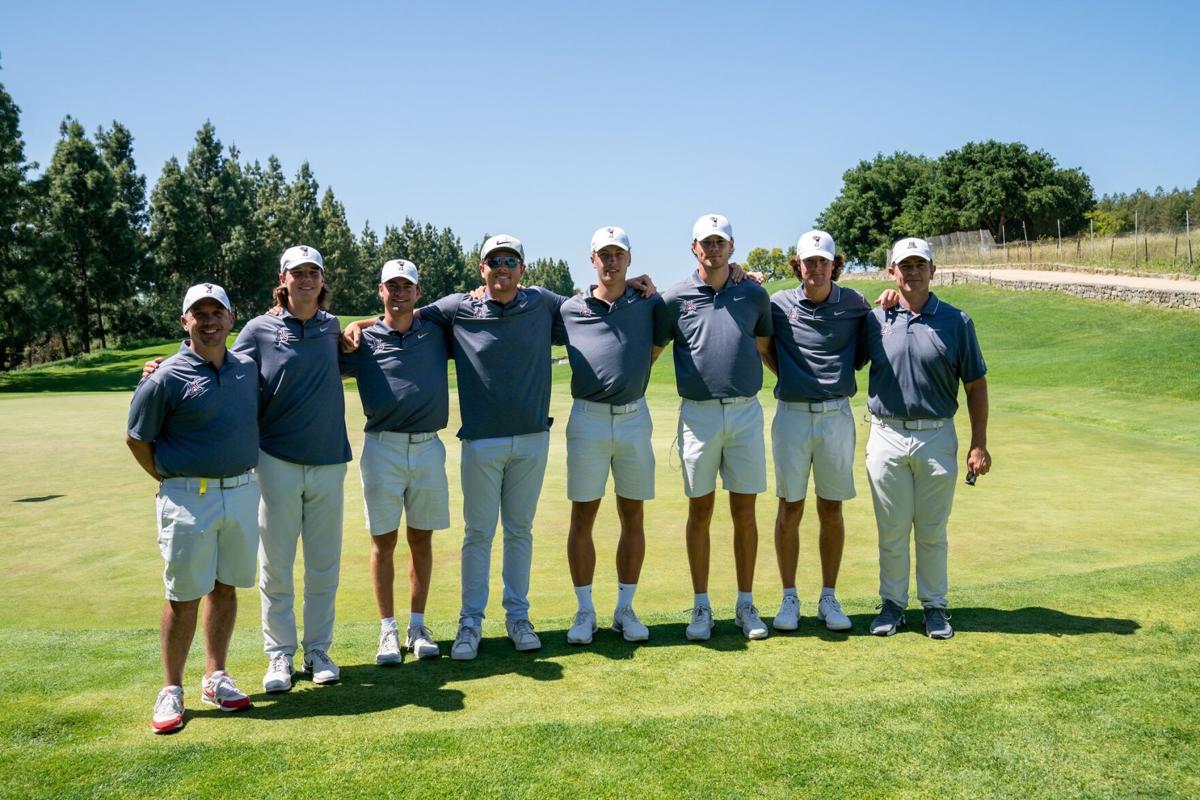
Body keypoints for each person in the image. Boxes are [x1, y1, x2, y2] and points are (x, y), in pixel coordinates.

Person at [126, 283, 259, 733]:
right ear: (185, 321)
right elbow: (137, 438)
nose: (208, 321)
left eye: (216, 312)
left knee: (225, 588)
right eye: (198, 314)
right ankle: (171, 688)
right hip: (187, 496)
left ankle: (215, 676)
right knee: (183, 596)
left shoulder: (246, 369)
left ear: (230, 317)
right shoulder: (164, 376)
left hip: (241, 491)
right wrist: (168, 480)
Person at [863, 237, 991, 640]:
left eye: (921, 265)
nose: (913, 272)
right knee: (892, 528)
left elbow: (975, 385)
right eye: (906, 265)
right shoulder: (875, 318)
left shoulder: (957, 321)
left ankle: (935, 606)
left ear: (933, 271)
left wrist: (979, 442)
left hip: (936, 434)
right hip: (886, 434)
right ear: (892, 272)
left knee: (932, 529)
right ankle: (892, 605)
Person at [663, 213, 774, 641]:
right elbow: (654, 346)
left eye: (720, 242)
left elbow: (764, 346)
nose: (713, 249)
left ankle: (746, 604)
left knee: (745, 513)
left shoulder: (753, 294)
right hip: (698, 414)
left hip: (745, 411)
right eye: (706, 243)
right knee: (700, 510)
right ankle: (702, 606)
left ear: (732, 247)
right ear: (694, 248)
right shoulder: (674, 299)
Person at [561, 226, 673, 645]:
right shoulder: (570, 308)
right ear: (592, 260)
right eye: (603, 255)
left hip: (633, 418)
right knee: (583, 517)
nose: (611, 261)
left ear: (629, 259)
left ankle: (625, 609)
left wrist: (741, 272)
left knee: (633, 515)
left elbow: (664, 333)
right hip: (587, 419)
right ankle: (584, 611)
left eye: (618, 254)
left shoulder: (648, 303)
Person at [340, 259, 450, 663]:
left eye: (407, 286)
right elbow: (317, 368)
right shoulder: (361, 342)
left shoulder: (436, 332)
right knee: (383, 541)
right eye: (392, 286)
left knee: (421, 538)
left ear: (417, 293)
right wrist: (358, 326)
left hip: (428, 447)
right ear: (381, 291)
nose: (400, 293)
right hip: (382, 447)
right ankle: (387, 630)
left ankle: (417, 626)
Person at [762, 230, 871, 632]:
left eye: (823, 261)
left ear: (834, 265)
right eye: (809, 262)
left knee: (832, 507)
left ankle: (829, 596)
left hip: (836, 415)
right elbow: (764, 347)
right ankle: (789, 597)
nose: (817, 268)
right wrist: (790, 376)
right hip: (791, 414)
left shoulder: (855, 304)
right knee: (790, 506)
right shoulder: (778, 305)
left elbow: (864, 351)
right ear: (798, 265)